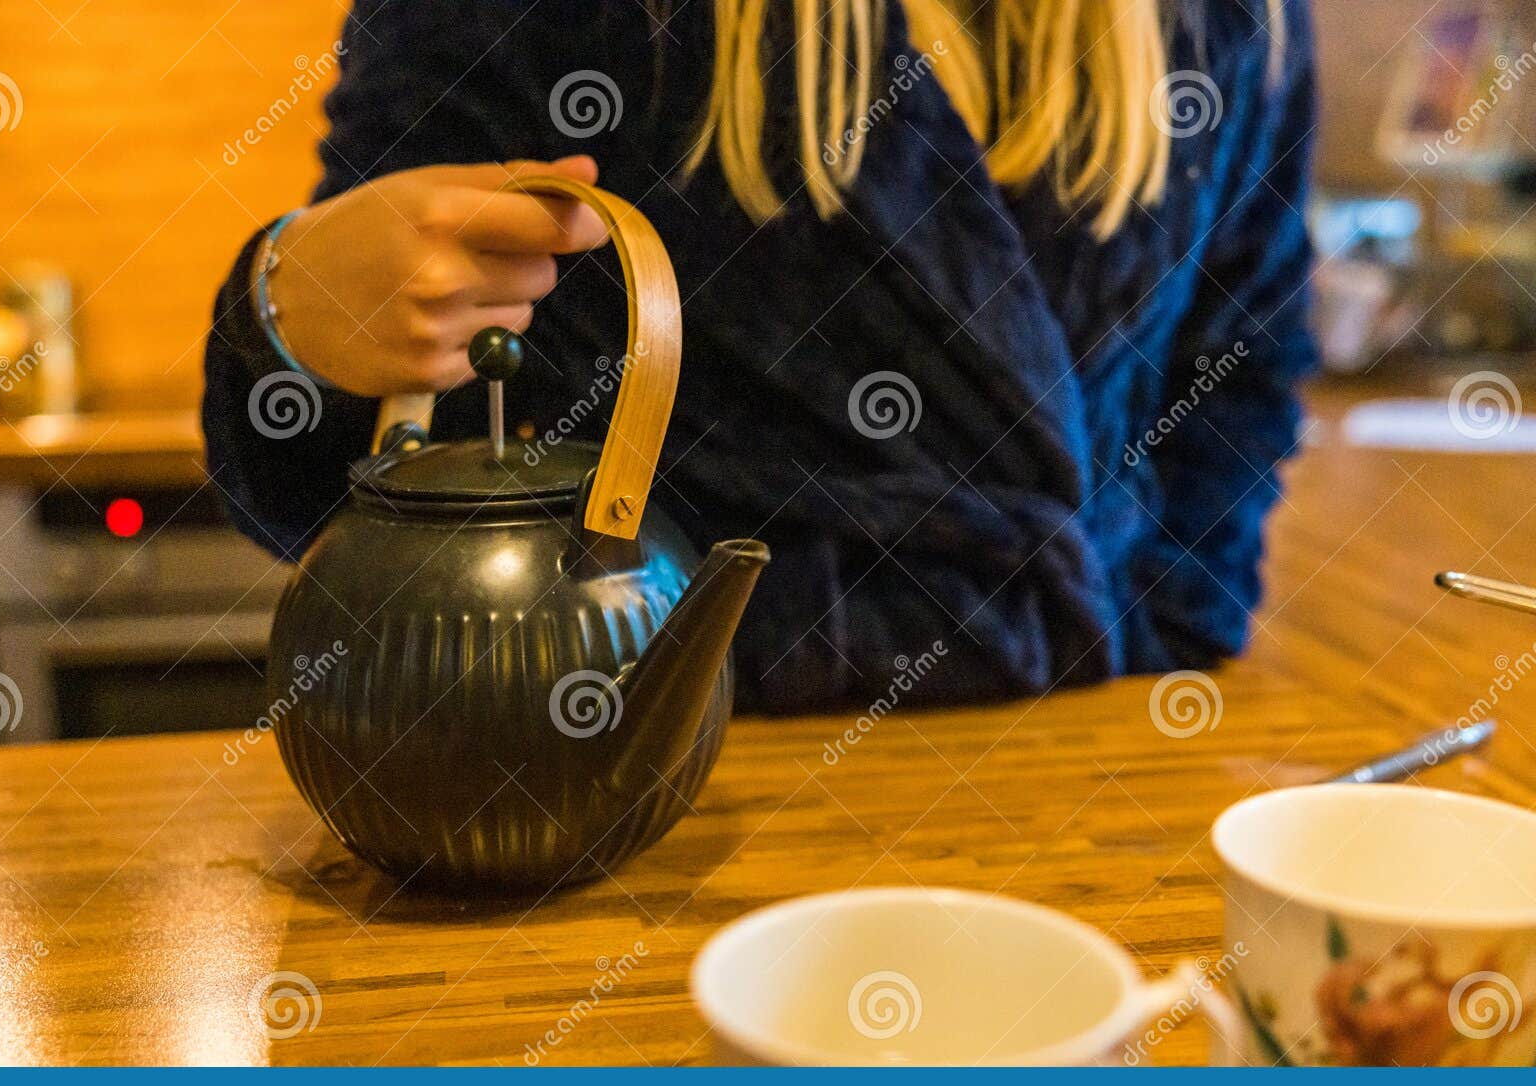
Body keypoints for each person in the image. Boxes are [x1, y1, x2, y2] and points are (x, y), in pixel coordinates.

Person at [203, 0, 1318, 712]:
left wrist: (1171, 631)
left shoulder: (1231, 21)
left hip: (1087, 743)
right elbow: (367, 465)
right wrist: (290, 313)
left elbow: (1241, 360)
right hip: (680, 750)